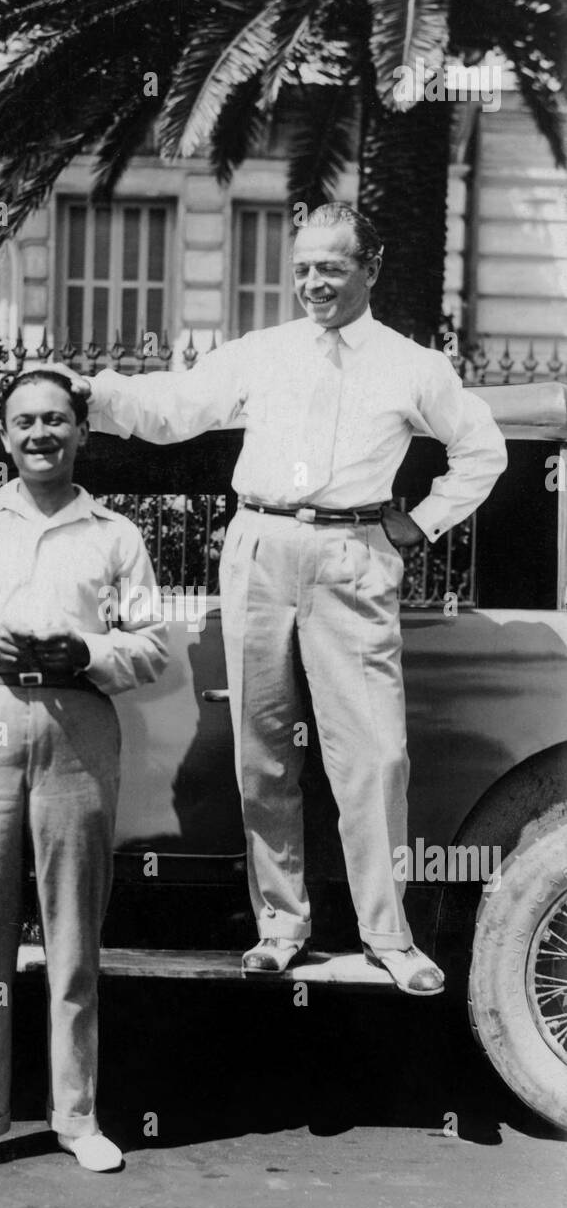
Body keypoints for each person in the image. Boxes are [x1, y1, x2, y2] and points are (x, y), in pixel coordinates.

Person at [58, 202, 507, 996]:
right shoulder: (261, 354)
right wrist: (94, 392)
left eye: (331, 267)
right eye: (301, 267)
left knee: (375, 753)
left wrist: (420, 524)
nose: (312, 282)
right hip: (260, 547)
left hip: (352, 556)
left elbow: (483, 451)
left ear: (371, 267)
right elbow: (173, 410)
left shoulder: (413, 366)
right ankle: (280, 924)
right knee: (263, 747)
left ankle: (388, 935)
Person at [0, 367, 168, 1179]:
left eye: (57, 421)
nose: (41, 435)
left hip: (77, 727)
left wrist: (87, 650)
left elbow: (153, 644)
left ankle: (76, 1116)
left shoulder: (114, 533)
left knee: (74, 936)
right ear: (6, 435)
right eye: (25, 423)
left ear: (81, 432)